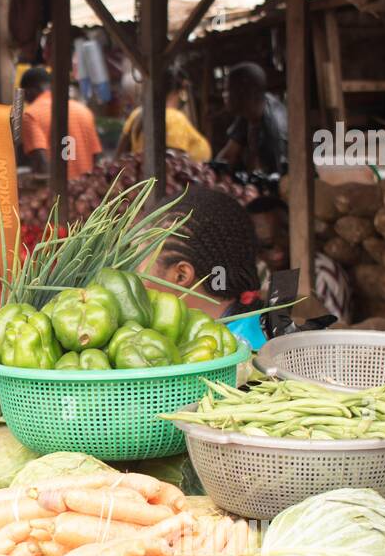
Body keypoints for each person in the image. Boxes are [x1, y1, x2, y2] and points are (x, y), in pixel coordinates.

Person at [150, 186, 267, 350]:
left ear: (181, 275)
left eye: (138, 263)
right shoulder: (260, 326)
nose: (131, 274)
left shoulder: (238, 357)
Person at [245, 195, 353, 324]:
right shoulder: (258, 273)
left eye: (282, 234)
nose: (277, 247)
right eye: (266, 244)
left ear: (294, 229)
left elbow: (340, 336)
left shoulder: (323, 274)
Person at [18, 66, 103, 178]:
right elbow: (97, 157)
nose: (25, 100)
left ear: (29, 91)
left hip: (58, 191)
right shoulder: (84, 111)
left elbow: (42, 165)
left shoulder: (30, 115)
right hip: (87, 190)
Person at [213, 62, 288, 181]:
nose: (224, 95)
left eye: (227, 90)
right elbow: (228, 155)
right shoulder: (250, 111)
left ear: (245, 93)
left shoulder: (275, 132)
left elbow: (280, 183)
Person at [120, 64, 211, 162]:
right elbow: (172, 165)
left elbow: (120, 155)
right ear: (181, 93)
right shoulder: (175, 119)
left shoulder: (136, 113)